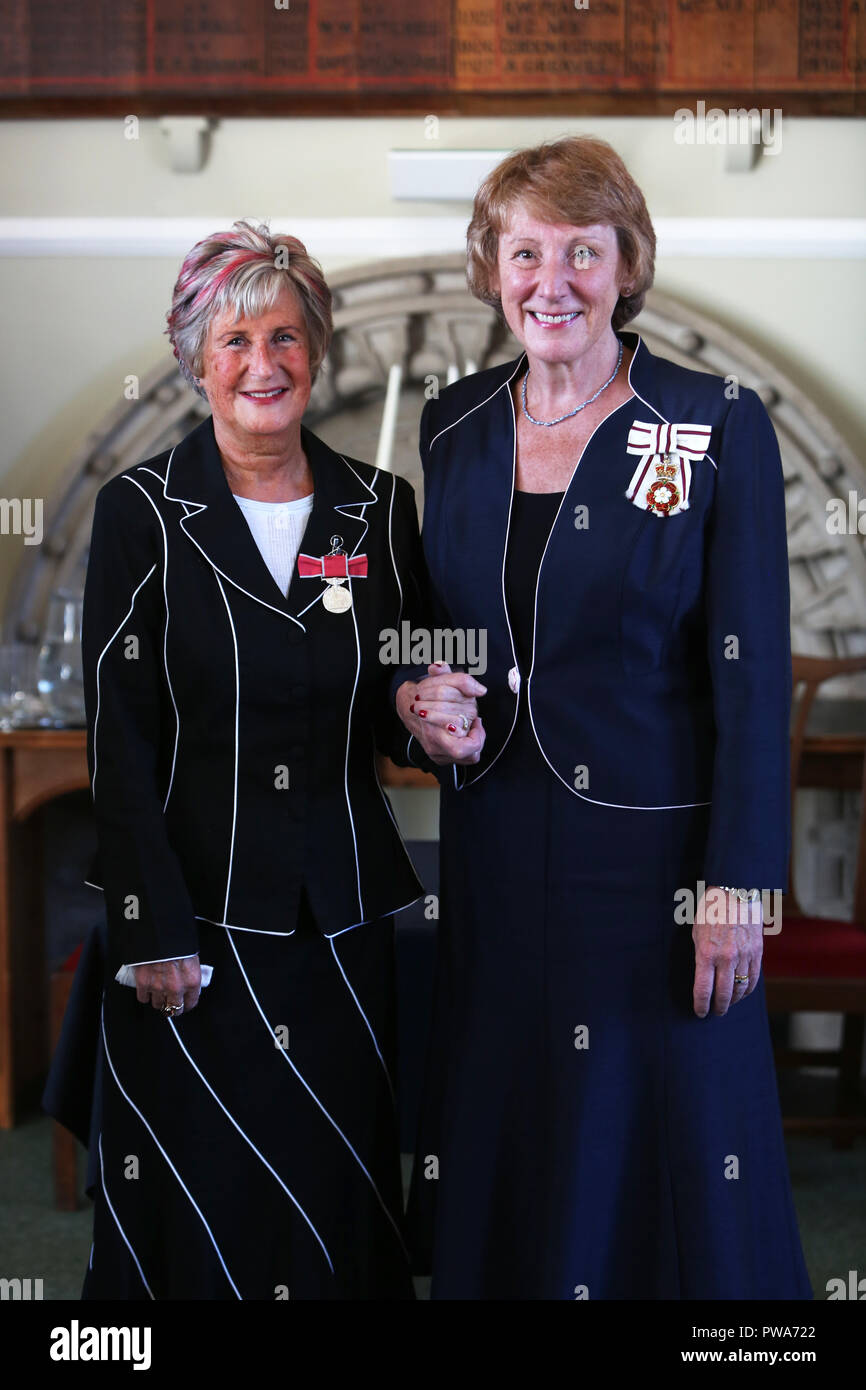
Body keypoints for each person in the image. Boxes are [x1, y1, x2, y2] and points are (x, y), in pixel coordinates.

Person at [395, 138, 812, 1300]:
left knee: (665, 1148)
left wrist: (738, 884)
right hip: (497, 850)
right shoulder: (454, 423)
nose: (551, 280)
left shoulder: (712, 419)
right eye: (523, 251)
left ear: (624, 264)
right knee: (512, 1126)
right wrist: (426, 697)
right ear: (491, 270)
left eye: (582, 250)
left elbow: (749, 667)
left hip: (657, 874)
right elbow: (446, 628)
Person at [77, 220, 428, 1300]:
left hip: (344, 919)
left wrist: (429, 712)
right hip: (197, 923)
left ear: (315, 352)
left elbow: (394, 703)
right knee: (202, 1195)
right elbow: (118, 732)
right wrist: (149, 927)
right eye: (234, 340)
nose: (262, 365)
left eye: (284, 336)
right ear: (194, 358)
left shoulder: (377, 507)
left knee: (334, 1188)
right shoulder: (139, 512)